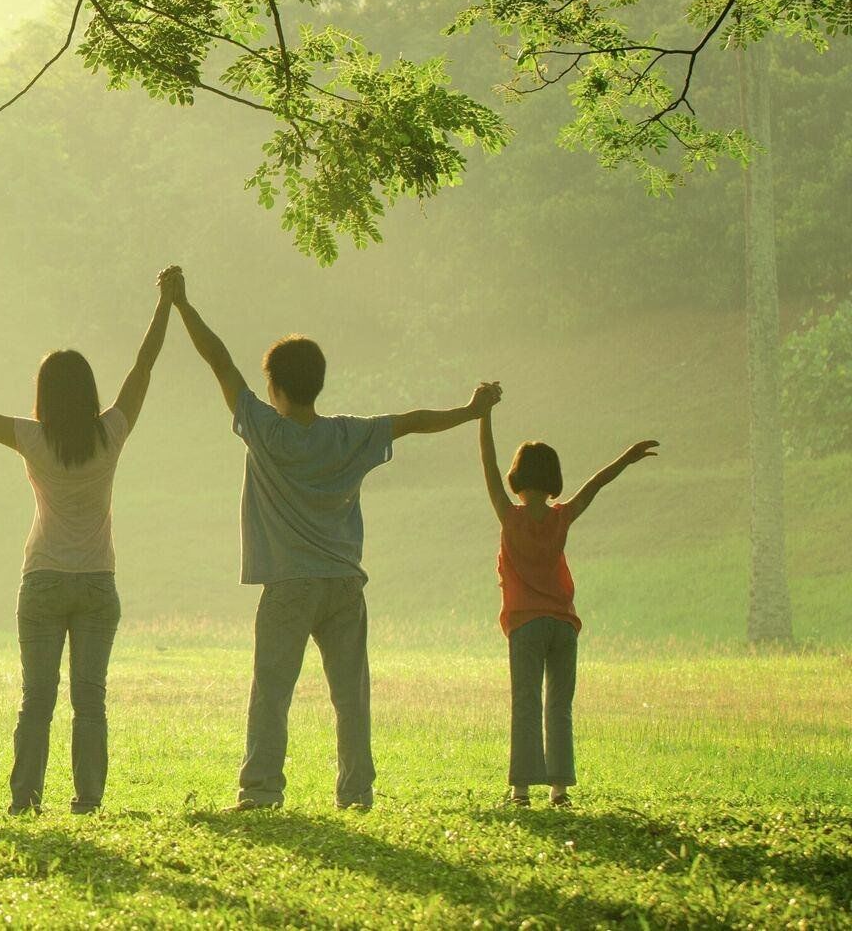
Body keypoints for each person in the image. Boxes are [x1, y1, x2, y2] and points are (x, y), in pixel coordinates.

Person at [165, 265, 501, 811]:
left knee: (272, 691)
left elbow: (219, 361)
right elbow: (412, 421)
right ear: (317, 383)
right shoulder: (349, 434)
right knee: (351, 696)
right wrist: (470, 411)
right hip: (345, 584)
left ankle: (262, 791)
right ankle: (356, 793)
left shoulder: (264, 428)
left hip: (289, 584)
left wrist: (182, 304)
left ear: (273, 386)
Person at [0, 270, 174, 814]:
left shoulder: (33, 439)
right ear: (89, 392)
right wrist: (166, 303)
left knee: (36, 700)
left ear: (43, 394)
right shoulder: (111, 432)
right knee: (90, 701)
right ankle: (88, 800)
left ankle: (25, 800)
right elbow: (143, 367)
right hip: (96, 583)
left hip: (41, 582)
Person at [478, 405, 658, 807]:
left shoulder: (509, 515)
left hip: (525, 624)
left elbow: (488, 465)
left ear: (517, 478)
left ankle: (521, 791)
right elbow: (594, 484)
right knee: (559, 705)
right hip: (562, 625)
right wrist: (627, 458)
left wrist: (483, 416)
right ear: (554, 479)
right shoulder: (562, 517)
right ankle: (559, 792)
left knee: (525, 701)